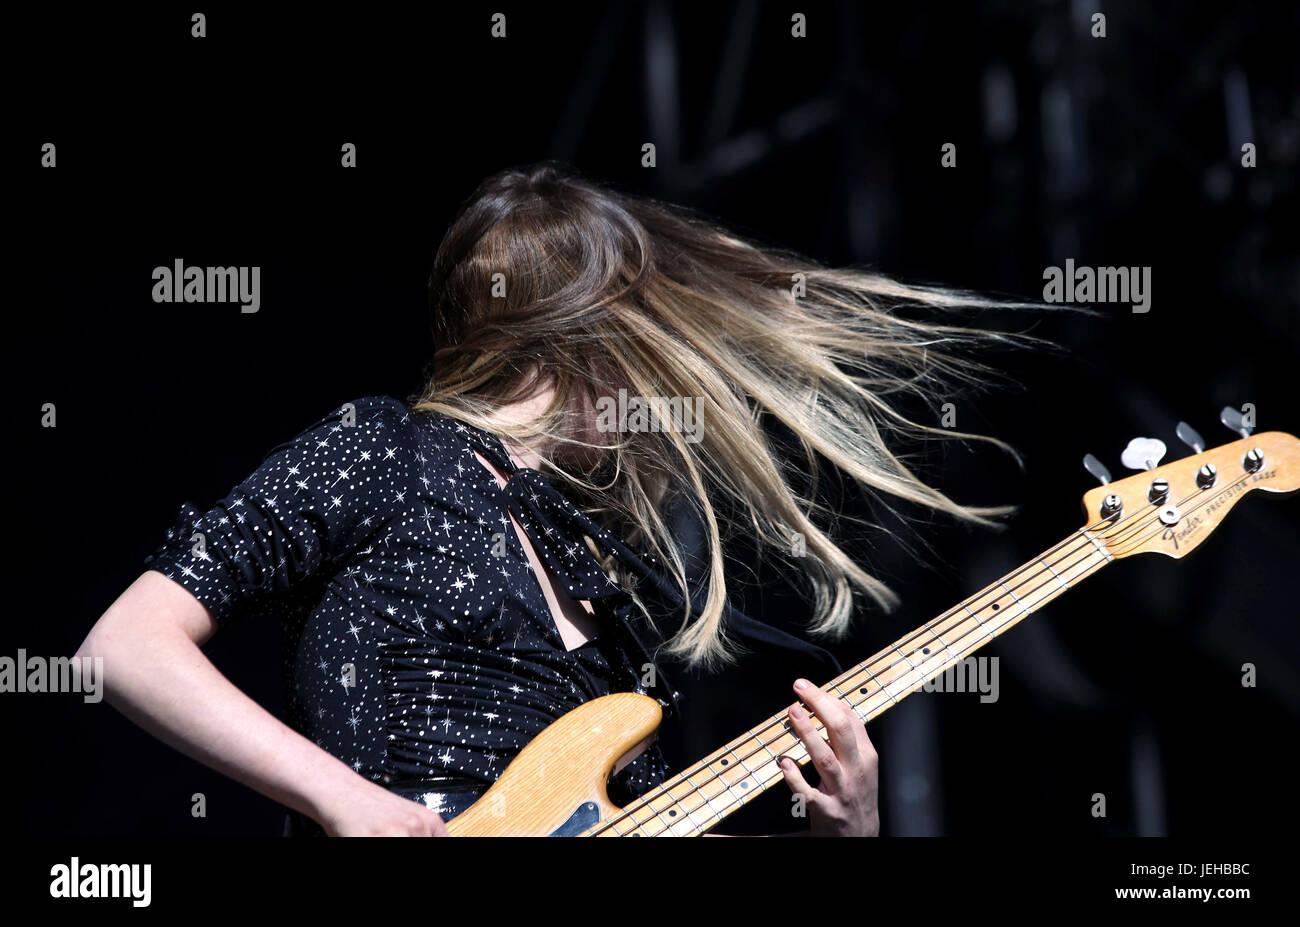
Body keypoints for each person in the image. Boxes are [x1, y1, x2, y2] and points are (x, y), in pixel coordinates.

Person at [77, 162, 1015, 836]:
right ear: (583, 340)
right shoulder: (385, 450)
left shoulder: (608, 580)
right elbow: (123, 647)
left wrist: (847, 832)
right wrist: (344, 798)